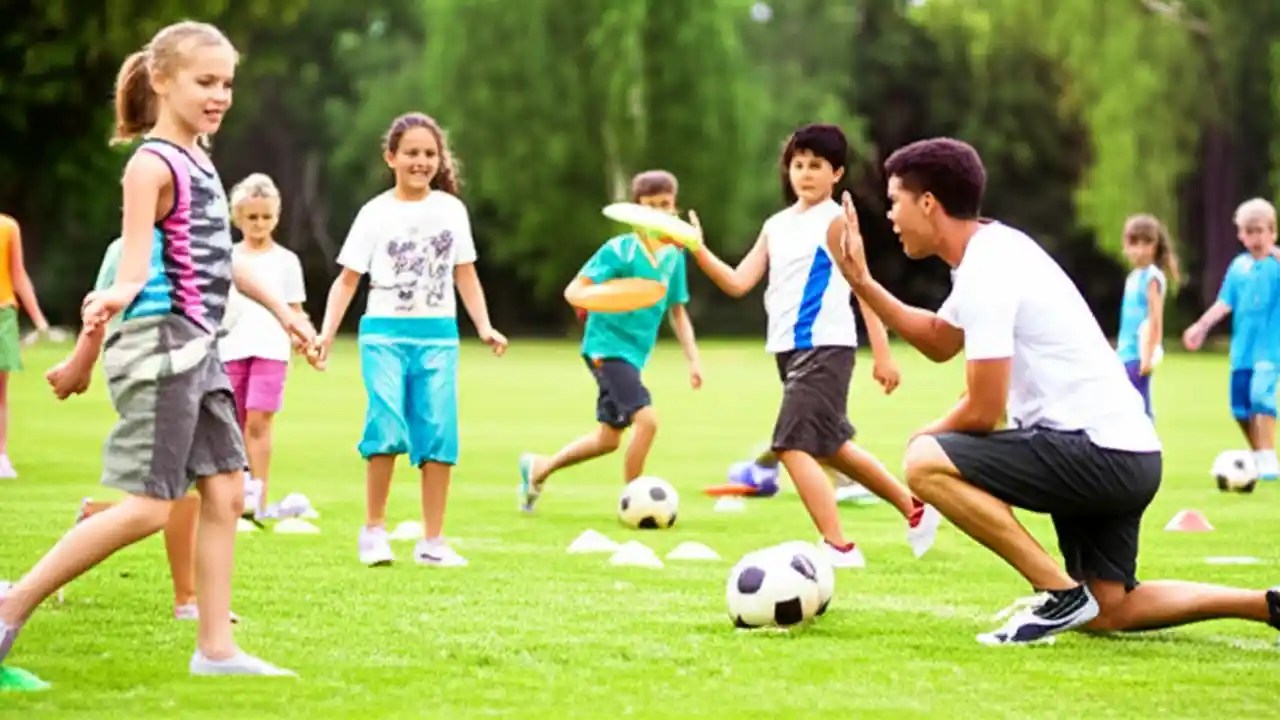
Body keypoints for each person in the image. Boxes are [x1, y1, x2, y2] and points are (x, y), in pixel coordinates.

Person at [833, 136, 1280, 645]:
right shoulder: (995, 251)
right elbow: (940, 340)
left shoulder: (987, 269)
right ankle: (1266, 605)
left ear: (928, 202)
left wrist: (921, 446)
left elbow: (984, 410)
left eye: (895, 201)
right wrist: (863, 283)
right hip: (1131, 454)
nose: (890, 216)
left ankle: (1059, 593)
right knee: (1109, 609)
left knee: (924, 462)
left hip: (1097, 453)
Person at [0, 21, 313, 675]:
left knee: (228, 493)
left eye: (227, 83)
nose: (220, 94)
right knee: (148, 508)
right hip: (162, 344)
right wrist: (112, 304)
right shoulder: (150, 164)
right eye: (206, 82)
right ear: (163, 81)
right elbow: (135, 266)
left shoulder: (202, 159)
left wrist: (286, 312)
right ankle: (12, 604)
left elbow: (222, 264)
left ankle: (216, 651)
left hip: (201, 343)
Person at [681, 123, 940, 568]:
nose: (805, 173)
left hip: (825, 347)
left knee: (790, 445)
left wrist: (882, 353)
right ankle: (915, 509)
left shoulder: (835, 221)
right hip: (789, 351)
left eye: (816, 165)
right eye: (797, 164)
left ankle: (839, 546)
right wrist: (697, 248)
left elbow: (864, 287)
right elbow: (739, 282)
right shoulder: (776, 225)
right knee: (829, 447)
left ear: (836, 173)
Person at [315, 111, 508, 569]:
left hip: (438, 337)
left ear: (438, 159)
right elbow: (346, 281)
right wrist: (325, 334)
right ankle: (374, 531)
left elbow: (465, 272)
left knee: (439, 433)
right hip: (383, 334)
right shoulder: (375, 213)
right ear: (391, 157)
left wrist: (483, 325)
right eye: (411, 153)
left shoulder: (451, 210)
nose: (421, 162)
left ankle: (433, 541)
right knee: (386, 426)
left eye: (429, 154)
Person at [47, 237, 238, 624]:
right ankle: (186, 600)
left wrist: (288, 318)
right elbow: (96, 314)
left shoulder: (200, 235)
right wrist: (78, 366)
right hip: (152, 370)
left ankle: (102, 519)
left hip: (198, 365)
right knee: (169, 497)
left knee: (189, 492)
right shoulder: (125, 248)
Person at [517, 170, 703, 511]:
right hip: (605, 348)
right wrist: (598, 298)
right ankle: (637, 501)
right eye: (650, 207)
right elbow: (574, 290)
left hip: (634, 354)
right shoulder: (619, 251)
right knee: (647, 421)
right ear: (635, 211)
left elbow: (677, 311)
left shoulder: (675, 256)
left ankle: (538, 469)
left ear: (675, 208)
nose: (659, 214)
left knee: (608, 439)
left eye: (665, 205)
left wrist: (693, 359)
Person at [219, 173, 308, 517]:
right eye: (252, 217)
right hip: (230, 351)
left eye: (266, 217)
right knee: (233, 422)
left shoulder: (286, 262)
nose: (259, 224)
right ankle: (234, 494)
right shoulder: (225, 258)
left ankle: (259, 495)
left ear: (277, 216)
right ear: (238, 218)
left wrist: (307, 339)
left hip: (271, 351)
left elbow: (295, 310)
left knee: (259, 421)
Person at [1183, 199, 1280, 481]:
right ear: (1240, 234)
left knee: (1261, 397)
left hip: (1270, 350)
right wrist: (1200, 327)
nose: (1254, 238)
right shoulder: (1238, 267)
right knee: (1239, 407)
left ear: (1272, 232)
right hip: (1242, 352)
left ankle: (1268, 458)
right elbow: (1225, 303)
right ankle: (1259, 456)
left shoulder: (1276, 265)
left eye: (1260, 231)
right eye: (1248, 232)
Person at [0, 213, 51, 479]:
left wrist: (38, 319)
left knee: (0, 390)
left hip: (2, 312)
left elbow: (17, 275)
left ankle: (0, 455)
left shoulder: (8, 227)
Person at [1115, 214, 1180, 418]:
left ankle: (1147, 445)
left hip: (1139, 351)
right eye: (1134, 243)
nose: (1140, 250)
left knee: (1138, 405)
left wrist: (1149, 354)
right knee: (1129, 403)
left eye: (1147, 243)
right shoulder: (1133, 277)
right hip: (1126, 351)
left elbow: (1155, 318)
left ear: (1156, 245)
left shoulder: (1152, 277)